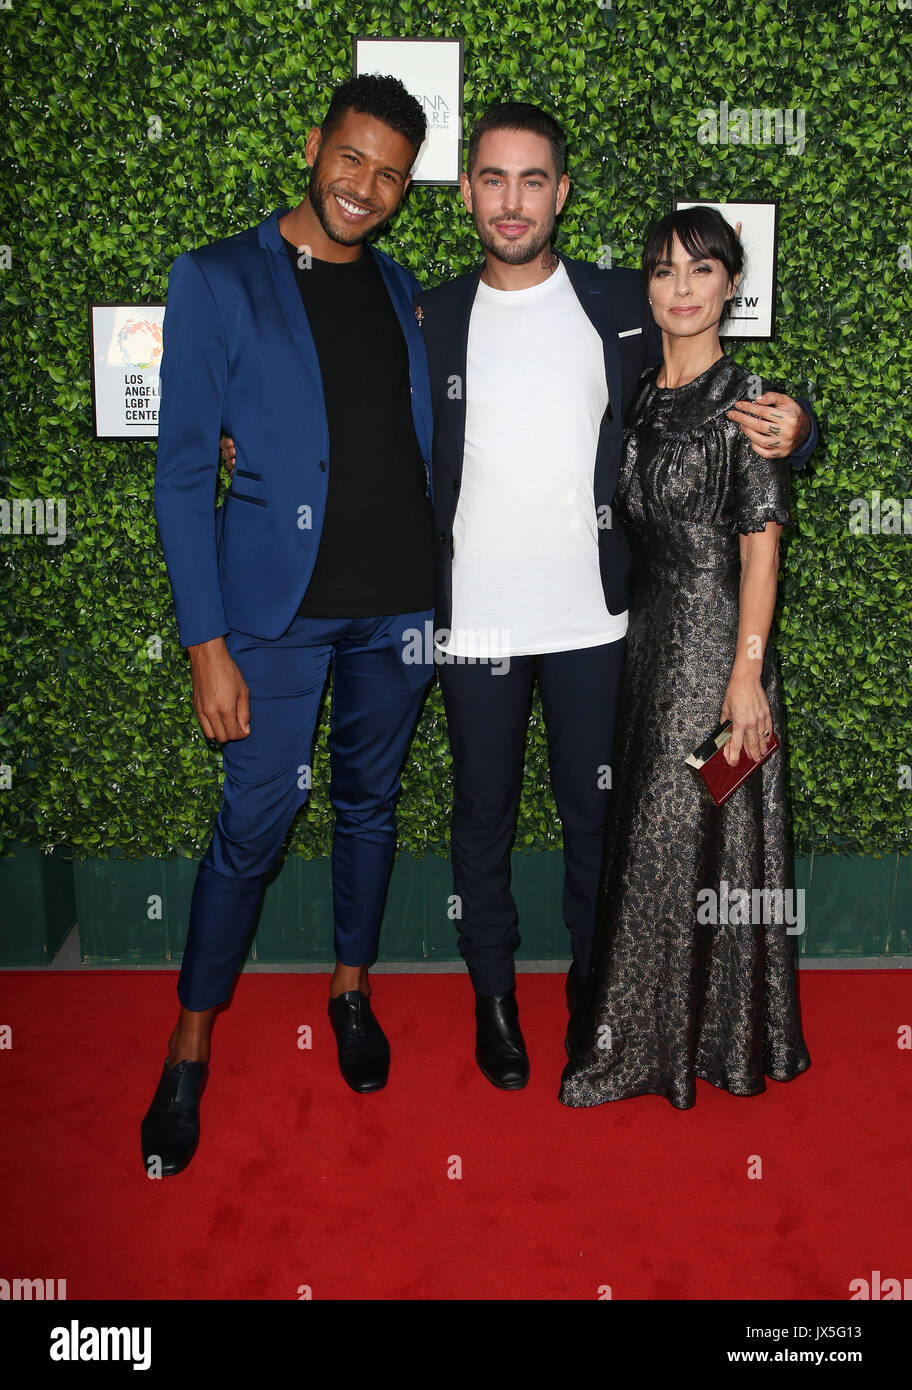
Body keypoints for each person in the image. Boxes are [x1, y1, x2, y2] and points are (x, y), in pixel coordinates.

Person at [415, 103, 817, 1090]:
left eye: (535, 179)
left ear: (562, 191)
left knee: (605, 820)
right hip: (474, 626)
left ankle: (598, 995)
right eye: (494, 179)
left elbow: (728, 409)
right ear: (468, 189)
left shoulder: (618, 308)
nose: (514, 200)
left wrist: (801, 432)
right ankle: (495, 1000)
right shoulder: (426, 314)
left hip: (603, 625)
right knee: (483, 818)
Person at [144, 75, 437, 1177]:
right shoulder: (218, 278)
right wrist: (205, 642)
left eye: (390, 173)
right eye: (352, 158)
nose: (364, 186)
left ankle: (350, 989)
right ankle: (189, 1041)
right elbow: (181, 478)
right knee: (252, 825)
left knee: (370, 808)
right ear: (315, 144)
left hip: (398, 609)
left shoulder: (406, 289)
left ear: (409, 186)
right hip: (270, 621)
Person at [559, 206, 812, 1111]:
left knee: (697, 834)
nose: (679, 289)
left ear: (731, 285)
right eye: (663, 271)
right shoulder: (637, 393)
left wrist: (746, 675)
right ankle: (676, 1030)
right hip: (647, 643)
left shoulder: (751, 405)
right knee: (660, 837)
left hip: (717, 649)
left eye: (700, 272)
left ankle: (677, 1041)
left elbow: (762, 548)